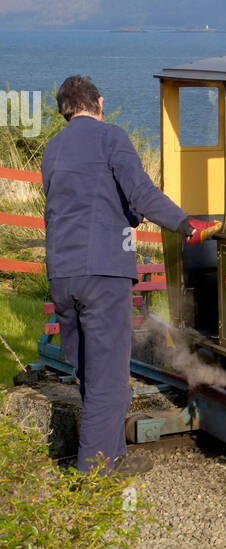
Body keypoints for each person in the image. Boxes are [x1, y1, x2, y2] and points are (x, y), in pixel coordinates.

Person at [42, 75, 201, 476]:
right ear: (98, 101)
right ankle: (94, 478)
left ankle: (112, 458)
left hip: (62, 275)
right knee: (109, 381)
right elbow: (141, 193)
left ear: (64, 110)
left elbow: (70, 206)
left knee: (89, 374)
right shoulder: (111, 137)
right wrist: (186, 225)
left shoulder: (52, 149)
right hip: (103, 273)